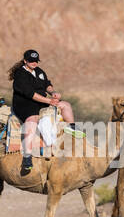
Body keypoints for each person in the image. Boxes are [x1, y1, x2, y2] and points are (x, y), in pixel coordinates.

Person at [8, 48, 83, 176]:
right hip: (25, 104)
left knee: (65, 105)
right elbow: (30, 94)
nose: (34, 63)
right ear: (25, 61)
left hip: (42, 101)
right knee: (32, 121)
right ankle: (27, 157)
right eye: (31, 61)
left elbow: (47, 84)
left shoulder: (39, 71)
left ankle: (71, 127)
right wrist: (49, 101)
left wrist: (53, 93)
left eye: (36, 61)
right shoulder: (20, 75)